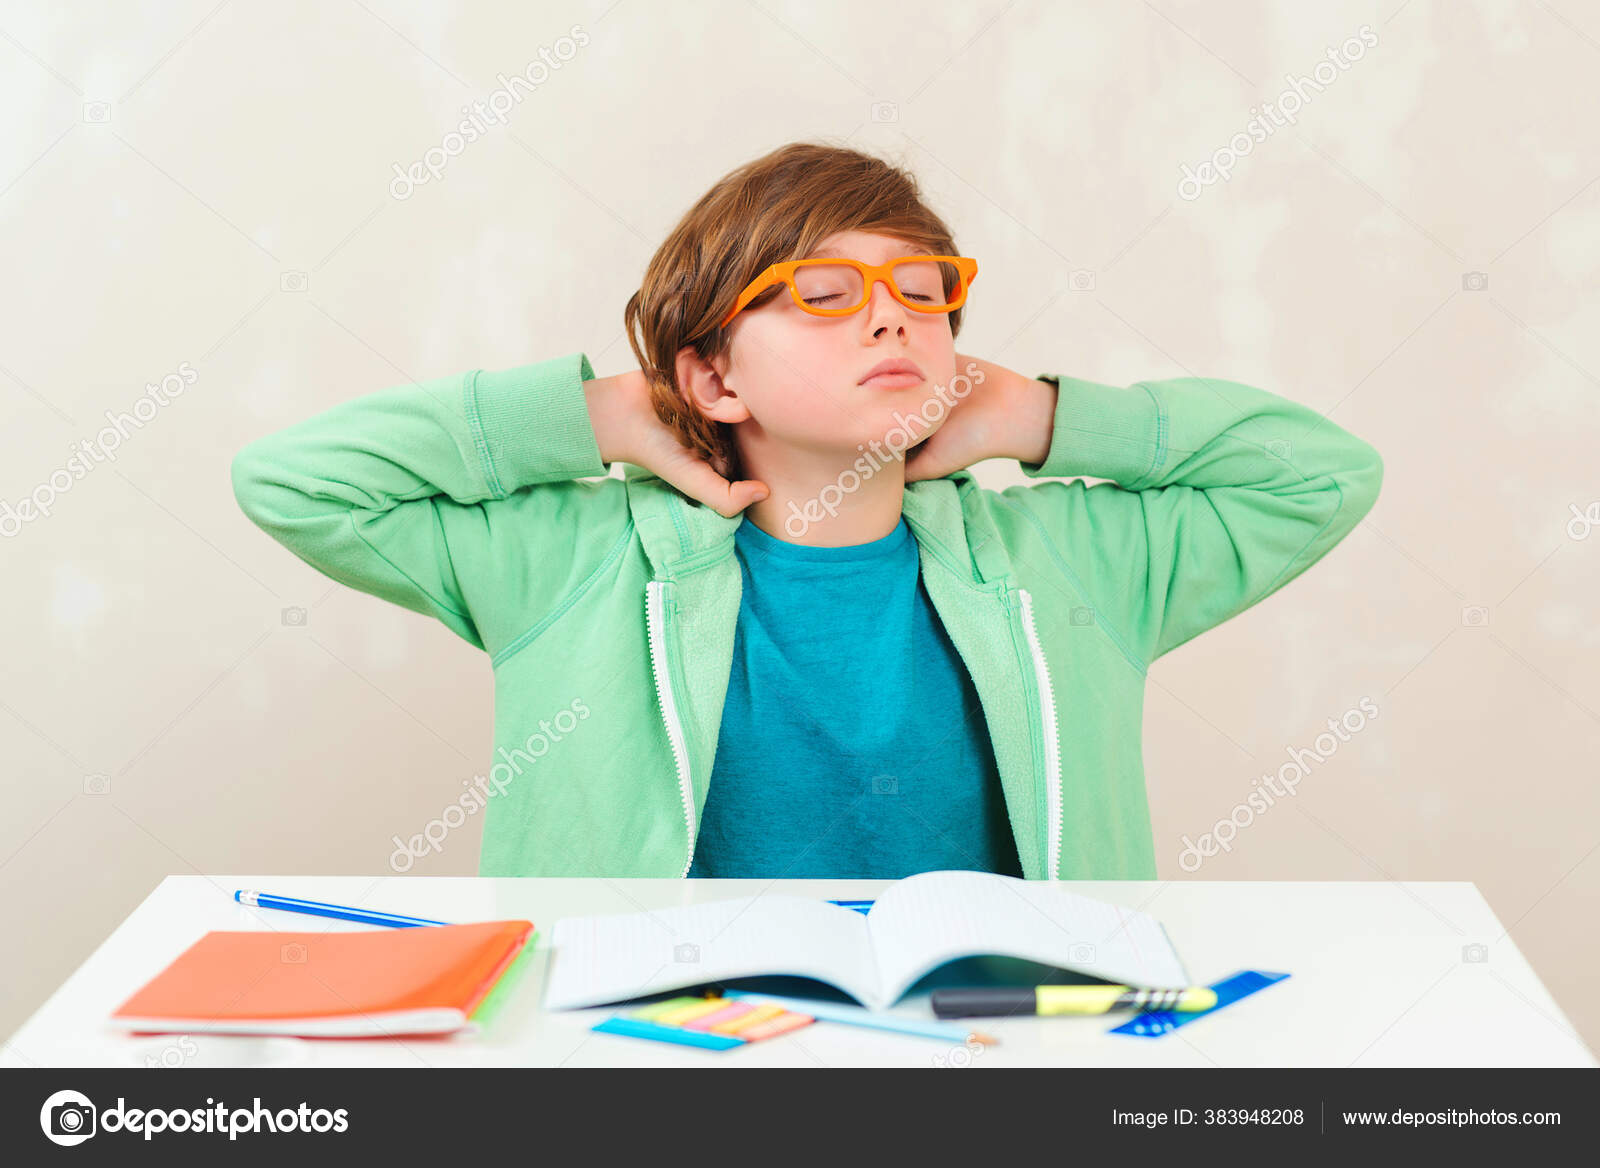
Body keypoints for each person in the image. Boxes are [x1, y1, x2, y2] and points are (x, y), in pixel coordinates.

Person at [230, 141, 1383, 880]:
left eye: (923, 294)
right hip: (661, 1062)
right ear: (713, 377)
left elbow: (1321, 475)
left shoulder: (1064, 558)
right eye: (824, 298)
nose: (891, 320)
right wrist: (594, 414)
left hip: (997, 1052)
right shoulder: (571, 559)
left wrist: (1040, 418)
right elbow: (294, 480)